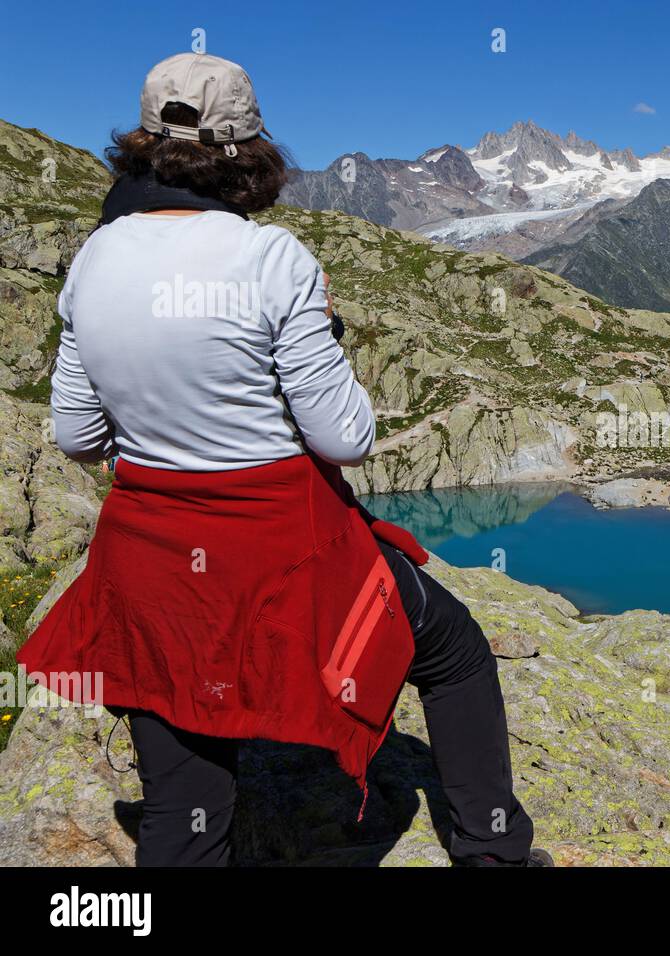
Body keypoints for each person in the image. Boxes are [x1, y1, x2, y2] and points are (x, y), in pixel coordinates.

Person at [17, 52, 548, 867]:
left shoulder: (94, 260)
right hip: (279, 549)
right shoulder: (273, 260)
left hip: (150, 560)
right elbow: (346, 439)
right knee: (454, 651)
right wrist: (324, 338)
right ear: (250, 151)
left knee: (185, 802)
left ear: (143, 143)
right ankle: (494, 852)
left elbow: (78, 438)